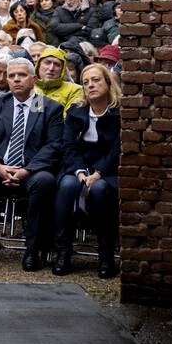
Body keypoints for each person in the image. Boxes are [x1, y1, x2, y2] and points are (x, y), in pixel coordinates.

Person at [0, 58, 65, 271]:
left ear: (34, 79)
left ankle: (33, 250)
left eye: (22, 75)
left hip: (32, 170)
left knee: (45, 182)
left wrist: (27, 170)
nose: (16, 79)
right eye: (11, 76)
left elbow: (53, 146)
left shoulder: (50, 108)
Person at [53, 63, 122, 278]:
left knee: (100, 190)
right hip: (79, 168)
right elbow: (68, 146)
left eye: (96, 80)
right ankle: (63, 252)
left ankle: (106, 255)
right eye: (85, 82)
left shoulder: (119, 112)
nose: (90, 85)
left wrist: (98, 172)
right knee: (66, 186)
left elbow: (117, 148)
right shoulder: (76, 111)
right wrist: (80, 172)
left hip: (108, 170)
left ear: (108, 83)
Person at [35, 45, 83, 115]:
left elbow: (68, 119)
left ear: (63, 70)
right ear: (38, 65)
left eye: (57, 65)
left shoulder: (74, 90)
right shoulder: (29, 87)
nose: (51, 68)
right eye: (47, 63)